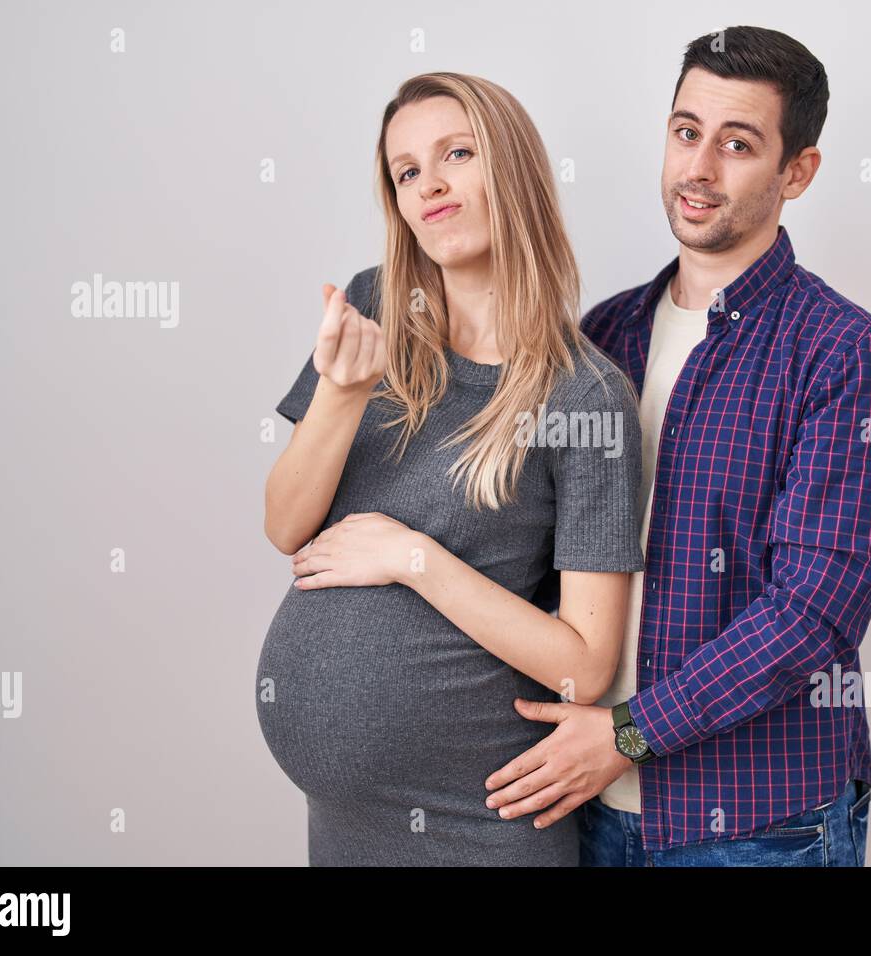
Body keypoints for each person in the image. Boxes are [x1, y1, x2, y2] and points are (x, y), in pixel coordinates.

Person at [482, 25, 871, 866]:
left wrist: (629, 735)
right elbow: (533, 554)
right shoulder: (599, 338)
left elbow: (811, 616)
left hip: (758, 826)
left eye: (738, 144)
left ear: (798, 171)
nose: (699, 169)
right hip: (582, 805)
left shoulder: (847, 355)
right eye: (686, 133)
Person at [255, 72, 644, 866]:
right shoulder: (372, 311)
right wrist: (341, 392)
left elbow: (586, 666)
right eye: (405, 171)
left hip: (478, 817)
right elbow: (285, 525)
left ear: (512, 169)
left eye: (456, 154)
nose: (428, 184)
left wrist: (411, 559)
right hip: (343, 825)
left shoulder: (587, 394)